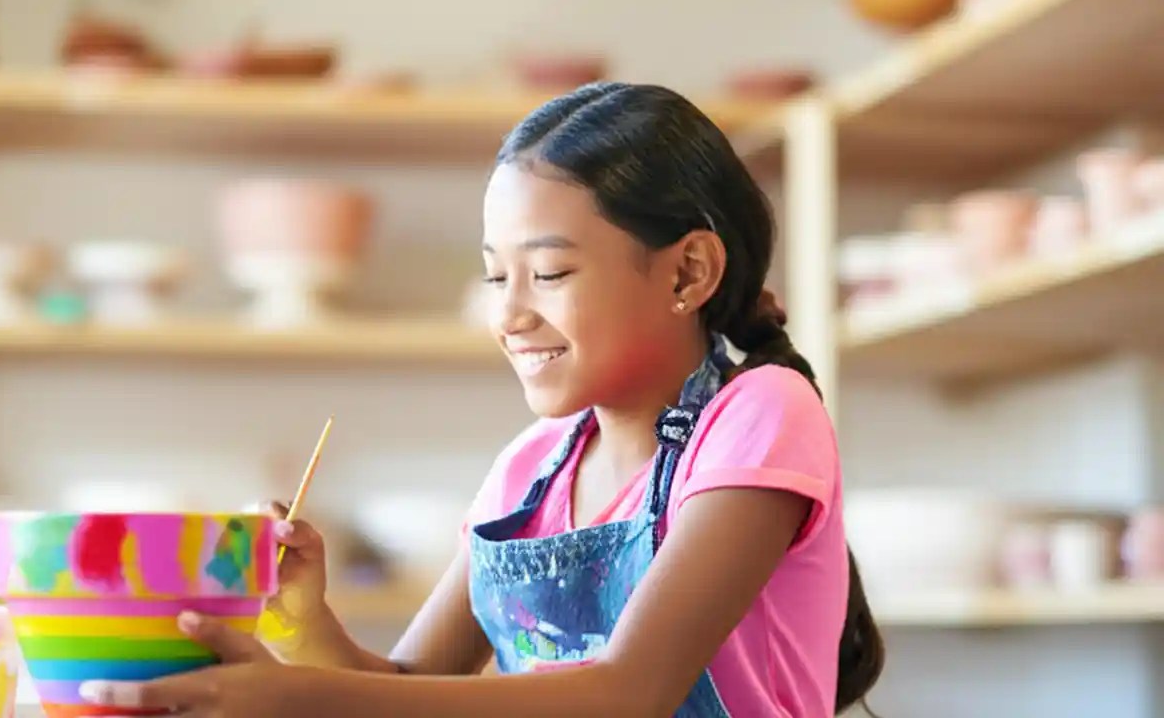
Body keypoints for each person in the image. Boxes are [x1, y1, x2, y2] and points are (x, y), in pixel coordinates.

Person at [80, 81, 885, 717]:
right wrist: (302, 625)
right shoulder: (534, 465)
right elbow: (415, 683)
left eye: (552, 273)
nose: (508, 313)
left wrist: (300, 702)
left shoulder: (762, 414)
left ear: (687, 273)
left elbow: (627, 693)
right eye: (497, 275)